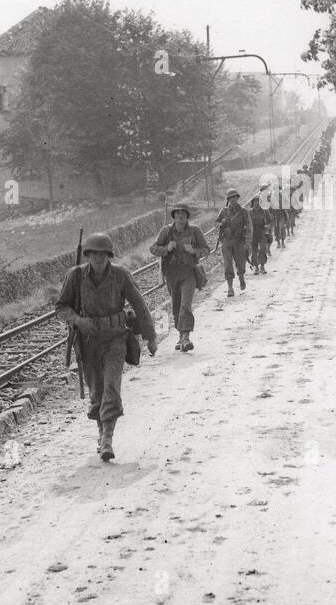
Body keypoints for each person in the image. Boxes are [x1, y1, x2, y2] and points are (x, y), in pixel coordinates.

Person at [56, 232, 158, 461]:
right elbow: (61, 307)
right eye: (94, 254)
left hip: (115, 339)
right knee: (97, 392)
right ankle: (102, 434)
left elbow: (139, 305)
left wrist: (150, 336)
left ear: (109, 256)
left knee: (112, 388)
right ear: (88, 255)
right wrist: (78, 320)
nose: (99, 259)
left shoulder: (120, 275)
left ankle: (107, 440)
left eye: (103, 255)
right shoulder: (76, 276)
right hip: (88, 342)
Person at [149, 203, 208, 353]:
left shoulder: (195, 231)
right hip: (171, 274)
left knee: (185, 304)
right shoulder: (166, 231)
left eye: (183, 215)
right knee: (176, 306)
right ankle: (181, 336)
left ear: (187, 216)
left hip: (189, 273)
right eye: (177, 214)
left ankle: (186, 337)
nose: (180, 217)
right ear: (174, 216)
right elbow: (153, 249)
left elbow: (206, 249)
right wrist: (166, 249)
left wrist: (194, 250)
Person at [215, 187, 252, 296]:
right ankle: (230, 288)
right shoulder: (224, 211)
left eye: (234, 197)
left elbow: (249, 227)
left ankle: (241, 277)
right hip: (226, 242)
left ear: (237, 198)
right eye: (230, 198)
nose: (233, 200)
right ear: (228, 199)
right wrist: (222, 222)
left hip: (239, 241)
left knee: (240, 264)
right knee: (228, 265)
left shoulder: (244, 211)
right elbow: (216, 224)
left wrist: (248, 242)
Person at [248, 195, 272, 274]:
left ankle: (262, 266)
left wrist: (267, 227)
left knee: (262, 249)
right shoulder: (250, 212)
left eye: (258, 201)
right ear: (253, 203)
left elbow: (269, 221)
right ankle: (256, 267)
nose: (256, 203)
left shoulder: (265, 211)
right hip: (253, 233)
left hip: (262, 232)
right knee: (254, 250)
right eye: (255, 202)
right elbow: (247, 223)